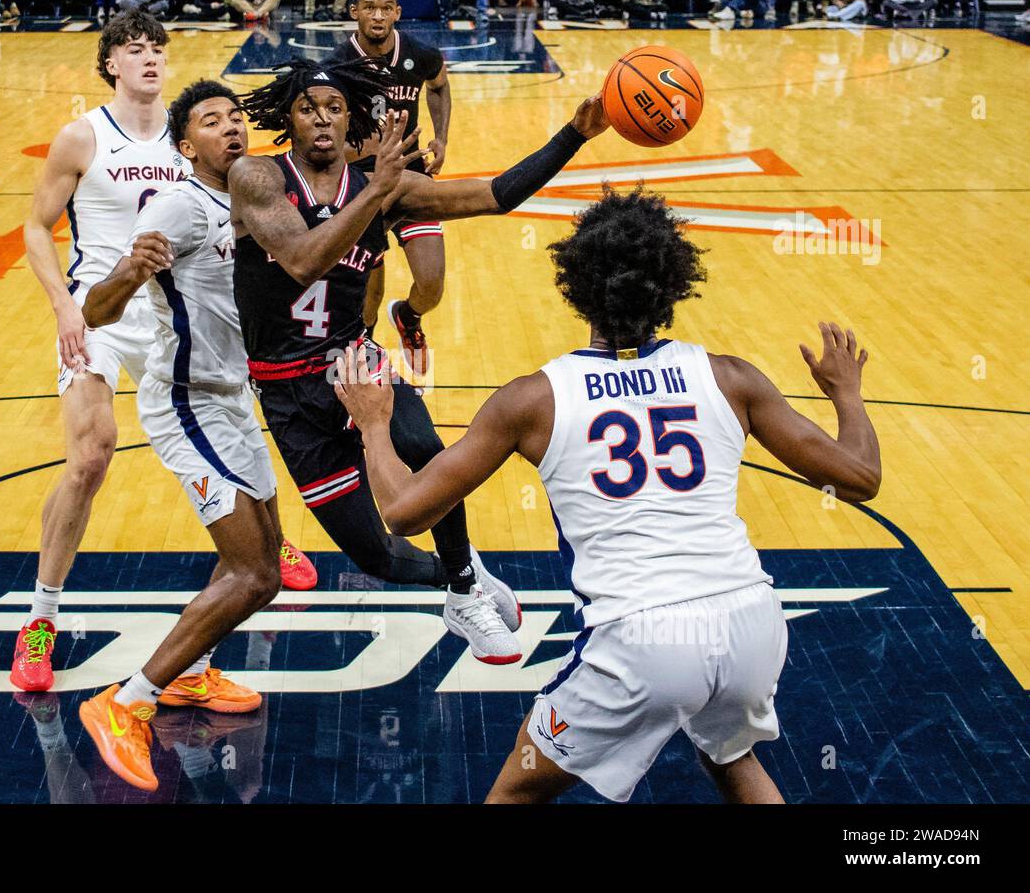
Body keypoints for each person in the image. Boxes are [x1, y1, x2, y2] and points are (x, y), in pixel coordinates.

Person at [333, 186, 882, 804]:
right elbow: (860, 480)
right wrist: (846, 395)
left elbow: (405, 513)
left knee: (516, 791)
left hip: (640, 640)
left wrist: (377, 425)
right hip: (752, 626)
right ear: (673, 283)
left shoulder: (533, 399)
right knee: (732, 758)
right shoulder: (731, 378)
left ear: (577, 286)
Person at [224, 60, 609, 663]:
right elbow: (302, 261)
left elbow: (492, 195)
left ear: (350, 117)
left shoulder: (388, 186)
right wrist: (376, 191)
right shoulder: (256, 176)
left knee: (429, 454)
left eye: (333, 106)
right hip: (284, 387)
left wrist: (573, 135)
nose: (321, 117)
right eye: (307, 107)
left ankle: (462, 587)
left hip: (354, 359)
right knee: (376, 555)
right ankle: (460, 579)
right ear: (290, 121)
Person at [15, 11, 318, 694]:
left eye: (157, 47)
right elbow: (36, 228)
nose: (148, 58)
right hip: (104, 306)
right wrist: (65, 308)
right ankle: (40, 619)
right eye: (132, 49)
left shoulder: (199, 142)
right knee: (91, 455)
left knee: (221, 396)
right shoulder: (82, 136)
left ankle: (255, 538)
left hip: (176, 306)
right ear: (110, 64)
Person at [77, 81, 312, 790]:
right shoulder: (178, 204)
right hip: (187, 403)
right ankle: (126, 701)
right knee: (256, 574)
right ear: (187, 147)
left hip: (233, 398)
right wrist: (131, 270)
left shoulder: (255, 200)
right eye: (212, 122)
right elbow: (95, 309)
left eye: (236, 116)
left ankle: (195, 674)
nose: (232, 127)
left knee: (264, 560)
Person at [332, 0, 453, 380]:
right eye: (369, 7)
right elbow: (320, 140)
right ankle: (363, 344)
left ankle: (408, 316)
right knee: (368, 293)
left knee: (432, 283)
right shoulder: (335, 66)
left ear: (398, 12)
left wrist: (442, 138)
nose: (378, 16)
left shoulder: (419, 54)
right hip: (359, 184)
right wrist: (363, 150)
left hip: (411, 174)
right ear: (355, 12)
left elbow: (438, 85)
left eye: (387, 8)